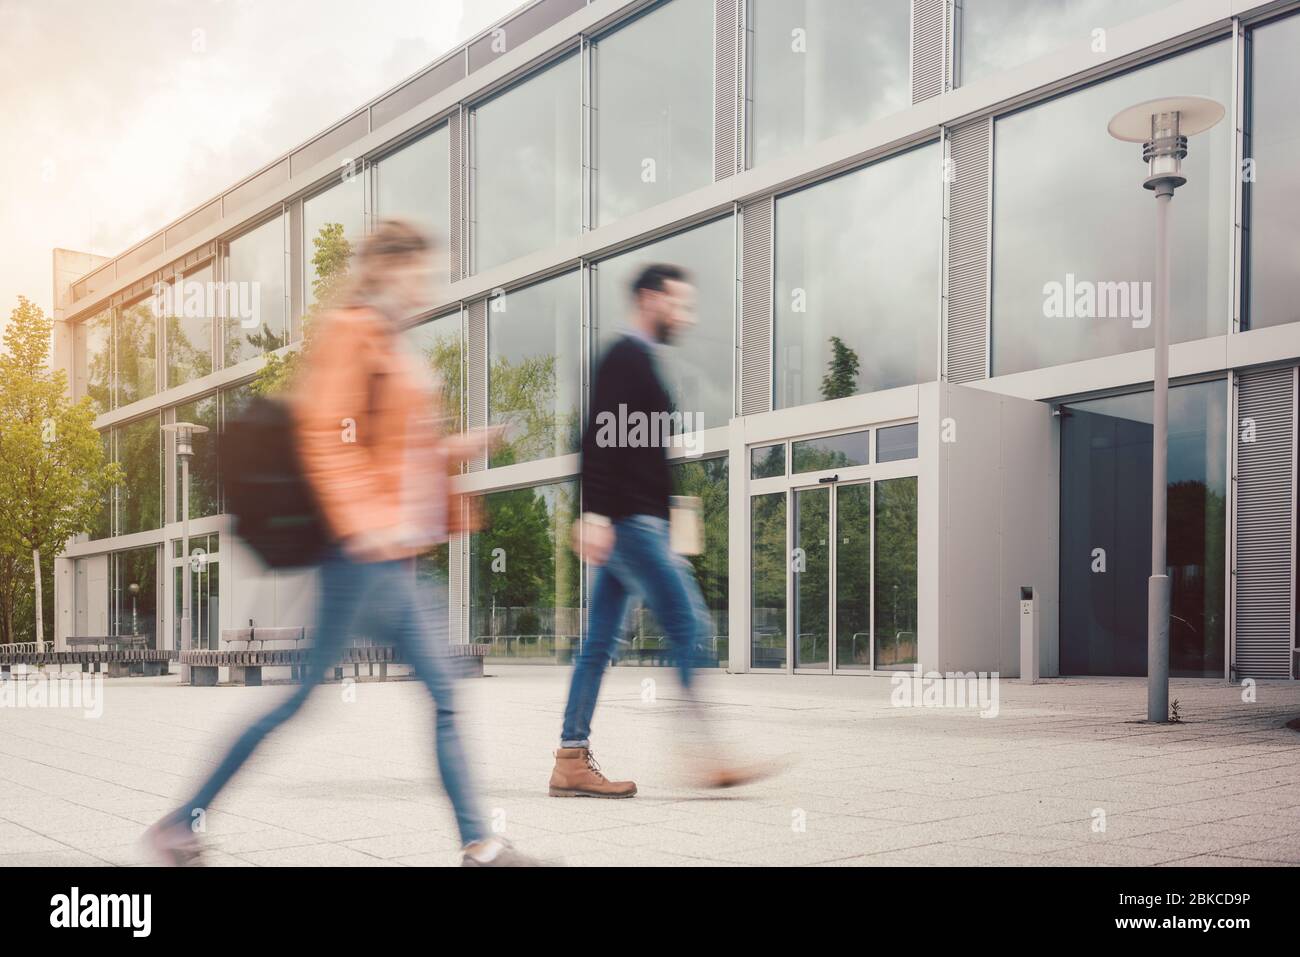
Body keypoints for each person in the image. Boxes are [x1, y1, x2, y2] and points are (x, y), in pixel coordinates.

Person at [146, 219, 535, 867]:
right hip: (362, 555)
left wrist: (459, 448)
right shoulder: (351, 331)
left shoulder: (387, 338)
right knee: (314, 697)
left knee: (431, 691)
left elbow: (394, 451)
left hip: (393, 556)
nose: (424, 286)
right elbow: (329, 436)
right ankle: (177, 824)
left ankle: (478, 842)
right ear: (385, 267)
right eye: (417, 272)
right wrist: (364, 524)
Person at [549, 264, 771, 798]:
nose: (686, 315)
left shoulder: (641, 362)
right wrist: (596, 512)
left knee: (599, 642)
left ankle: (570, 759)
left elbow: (639, 451)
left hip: (639, 520)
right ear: (650, 299)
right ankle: (706, 754)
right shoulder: (624, 358)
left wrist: (667, 514)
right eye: (678, 303)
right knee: (690, 623)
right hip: (629, 524)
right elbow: (598, 439)